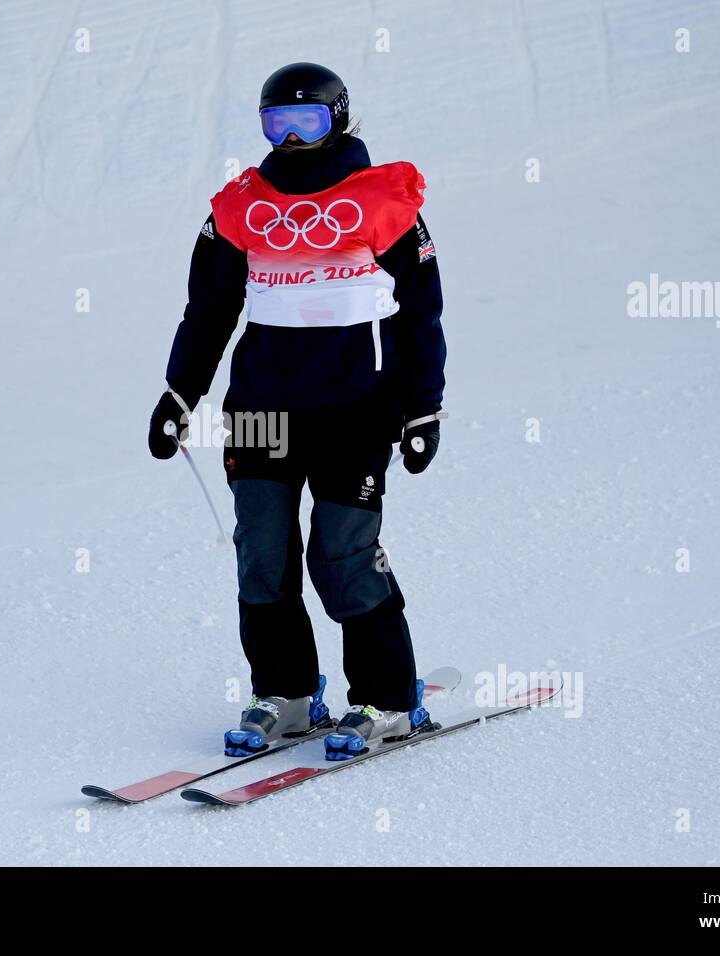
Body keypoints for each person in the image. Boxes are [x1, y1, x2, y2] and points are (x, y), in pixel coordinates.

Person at [147, 63, 447, 760]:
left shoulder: (383, 199)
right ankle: (285, 695)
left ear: (338, 118)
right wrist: (177, 394)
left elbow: (423, 311)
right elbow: (209, 311)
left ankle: (389, 701)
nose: (290, 136)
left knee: (343, 556)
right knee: (262, 554)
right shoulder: (241, 206)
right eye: (276, 123)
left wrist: (423, 409)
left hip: (357, 408)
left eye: (306, 122)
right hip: (261, 408)